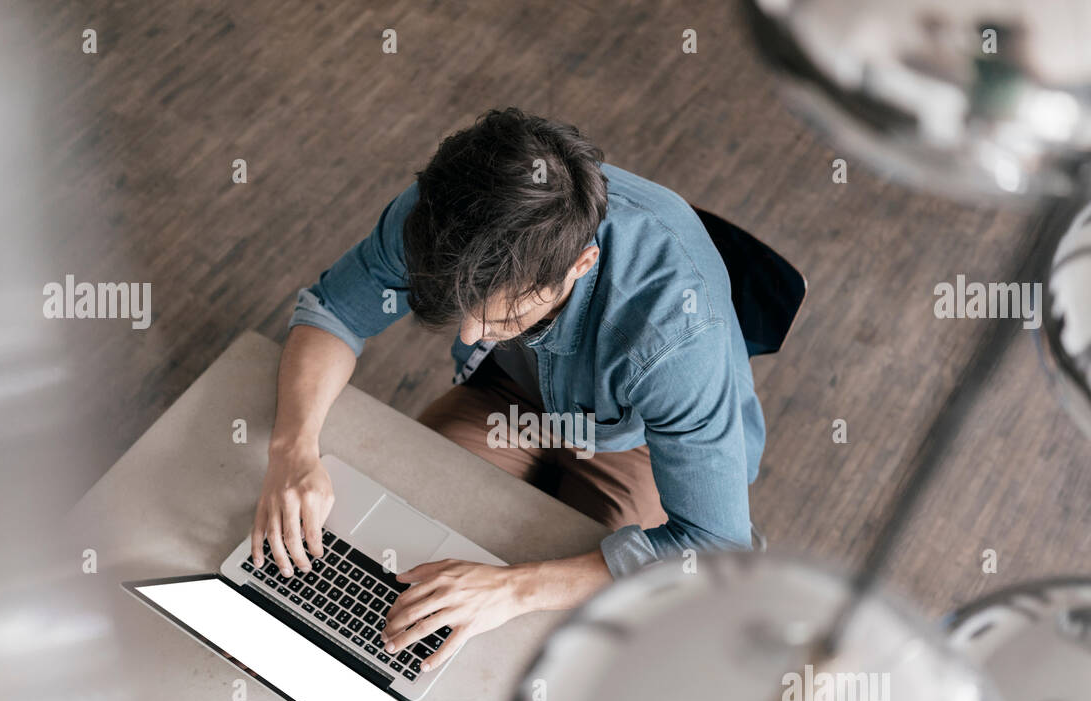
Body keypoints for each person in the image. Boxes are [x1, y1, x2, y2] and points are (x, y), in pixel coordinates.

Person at [251, 108, 764, 670]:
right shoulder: (444, 211)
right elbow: (334, 312)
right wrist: (292, 449)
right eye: (463, 310)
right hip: (507, 396)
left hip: (638, 440)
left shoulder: (675, 338)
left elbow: (713, 549)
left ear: (579, 265)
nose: (470, 335)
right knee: (396, 548)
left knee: (561, 645)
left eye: (500, 319)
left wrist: (512, 590)